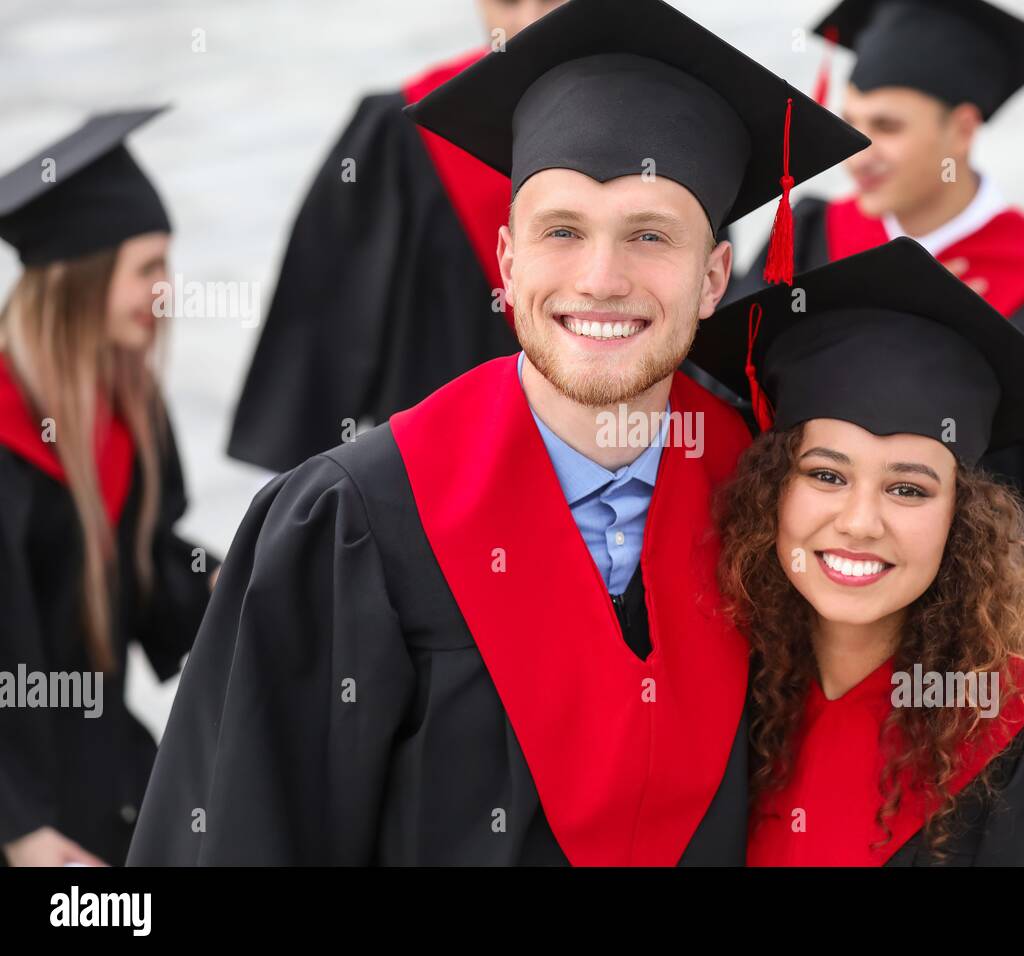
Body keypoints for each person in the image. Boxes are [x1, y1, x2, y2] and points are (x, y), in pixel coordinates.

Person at [126, 0, 872, 866]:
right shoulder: (351, 522)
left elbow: (897, 697)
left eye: (649, 235)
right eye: (563, 231)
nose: (602, 279)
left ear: (714, 279)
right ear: (510, 261)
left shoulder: (782, 505)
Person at [697, 238, 1024, 865]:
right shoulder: (714, 704)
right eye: (826, 475)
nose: (859, 522)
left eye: (908, 489)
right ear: (771, 491)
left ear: (960, 523)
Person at [730, 0, 1024, 625]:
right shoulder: (812, 237)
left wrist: (961, 601)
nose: (858, 153)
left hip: (955, 637)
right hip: (784, 613)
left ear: (960, 128)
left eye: (888, 126)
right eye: (851, 123)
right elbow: (729, 396)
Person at [0, 108, 216, 867]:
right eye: (149, 268)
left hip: (102, 782)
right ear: (84, 279)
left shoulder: (125, 416)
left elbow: (147, 576)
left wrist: (243, 579)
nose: (166, 293)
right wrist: (19, 828)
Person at [226, 0, 569, 473]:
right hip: (439, 489)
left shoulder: (675, 132)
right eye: (507, 1)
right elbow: (318, 355)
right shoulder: (406, 133)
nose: (530, 23)